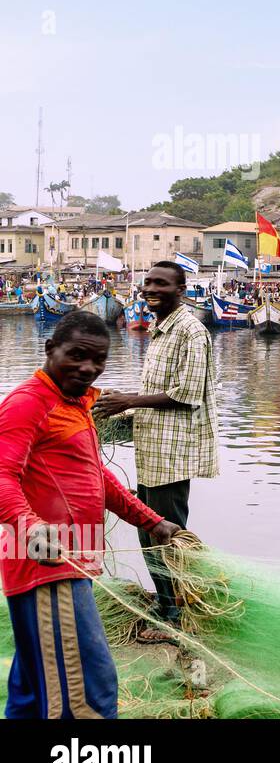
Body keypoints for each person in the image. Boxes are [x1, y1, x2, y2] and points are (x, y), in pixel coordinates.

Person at [0, 311, 181, 718]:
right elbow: (2, 474)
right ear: (51, 350)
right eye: (77, 355)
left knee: (33, 691)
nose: (88, 368)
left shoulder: (74, 403)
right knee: (88, 692)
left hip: (71, 560)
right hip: (47, 565)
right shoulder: (29, 404)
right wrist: (30, 526)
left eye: (98, 360)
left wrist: (151, 520)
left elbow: (95, 475)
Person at [95, 262, 217, 642]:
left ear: (180, 289)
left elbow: (186, 395)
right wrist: (122, 409)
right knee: (148, 531)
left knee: (165, 532)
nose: (150, 288)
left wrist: (129, 400)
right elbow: (157, 395)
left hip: (173, 451)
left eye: (160, 284)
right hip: (152, 447)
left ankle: (175, 616)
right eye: (148, 282)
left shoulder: (190, 332)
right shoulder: (160, 330)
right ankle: (167, 602)